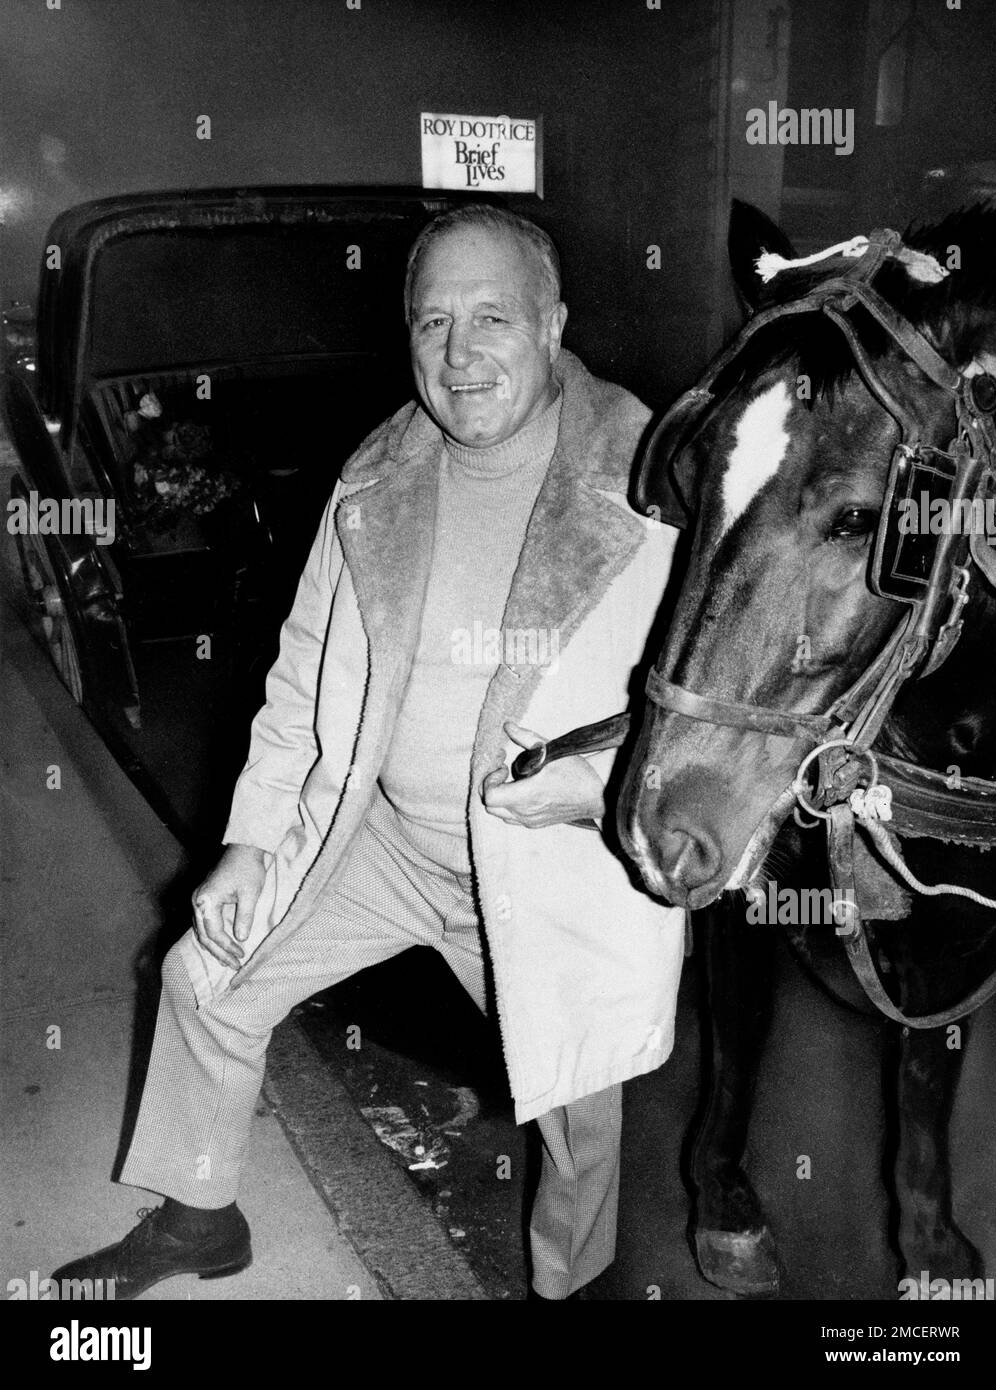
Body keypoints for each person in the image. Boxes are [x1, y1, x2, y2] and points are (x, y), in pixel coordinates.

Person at [53, 204, 686, 1301]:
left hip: (545, 866)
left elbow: (712, 698)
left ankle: (567, 1287)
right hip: (379, 840)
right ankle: (199, 1213)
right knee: (207, 973)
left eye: (492, 316)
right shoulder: (378, 476)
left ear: (552, 325)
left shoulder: (649, 479)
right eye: (432, 322)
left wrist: (603, 788)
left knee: (583, 1105)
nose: (458, 352)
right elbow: (302, 675)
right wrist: (251, 840)